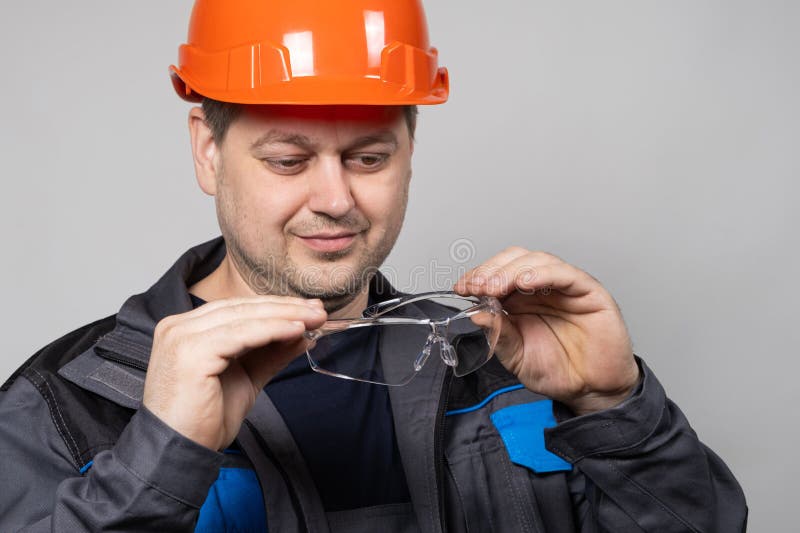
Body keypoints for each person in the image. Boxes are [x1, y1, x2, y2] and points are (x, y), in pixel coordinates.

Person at [0, 0, 747, 531]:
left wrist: (618, 411)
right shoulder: (63, 406)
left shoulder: (506, 363)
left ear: (411, 153)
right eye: (289, 158)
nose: (336, 199)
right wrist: (155, 463)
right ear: (206, 148)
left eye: (369, 157)